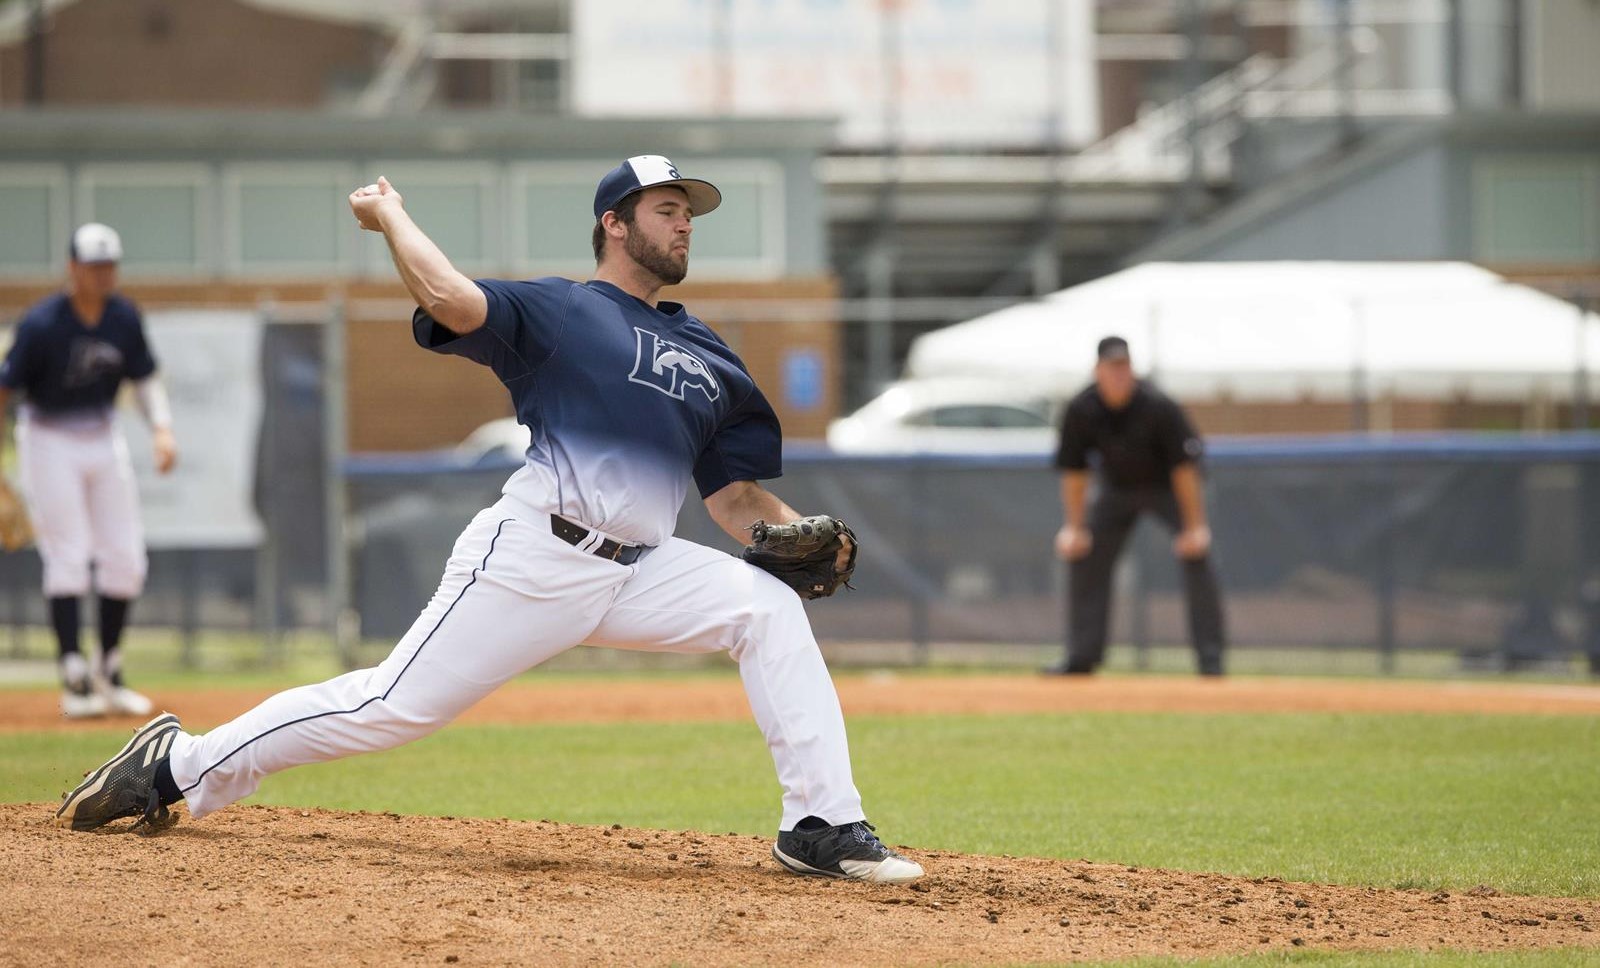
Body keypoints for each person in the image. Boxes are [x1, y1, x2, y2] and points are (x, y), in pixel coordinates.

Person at [54, 156, 923, 885]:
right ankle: (175, 764)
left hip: (643, 567)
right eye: (667, 209)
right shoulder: (561, 312)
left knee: (766, 610)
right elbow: (453, 298)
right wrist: (393, 216)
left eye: (689, 213)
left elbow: (737, 504)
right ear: (614, 224)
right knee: (390, 707)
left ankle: (819, 825)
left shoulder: (712, 358)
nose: (685, 224)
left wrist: (799, 526)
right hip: (535, 555)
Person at [0, 223, 178, 718]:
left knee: (126, 558)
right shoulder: (42, 324)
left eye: (110, 265)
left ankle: (109, 669)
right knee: (69, 553)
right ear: (72, 268)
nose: (104, 274)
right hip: (47, 438)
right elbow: (4, 391)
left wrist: (162, 428)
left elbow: (144, 378)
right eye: (94, 265)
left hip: (102, 435)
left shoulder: (123, 317)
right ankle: (74, 677)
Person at [1046, 336, 1226, 677]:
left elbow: (1185, 470)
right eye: (1112, 367)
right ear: (1097, 370)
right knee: (1084, 554)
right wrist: (1074, 526)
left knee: (1198, 554)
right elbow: (1074, 471)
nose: (1120, 374)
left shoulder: (1158, 405)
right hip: (1116, 490)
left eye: (1125, 367)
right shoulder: (1082, 409)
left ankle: (1211, 661)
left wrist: (1194, 527)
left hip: (1168, 489)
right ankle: (1081, 657)